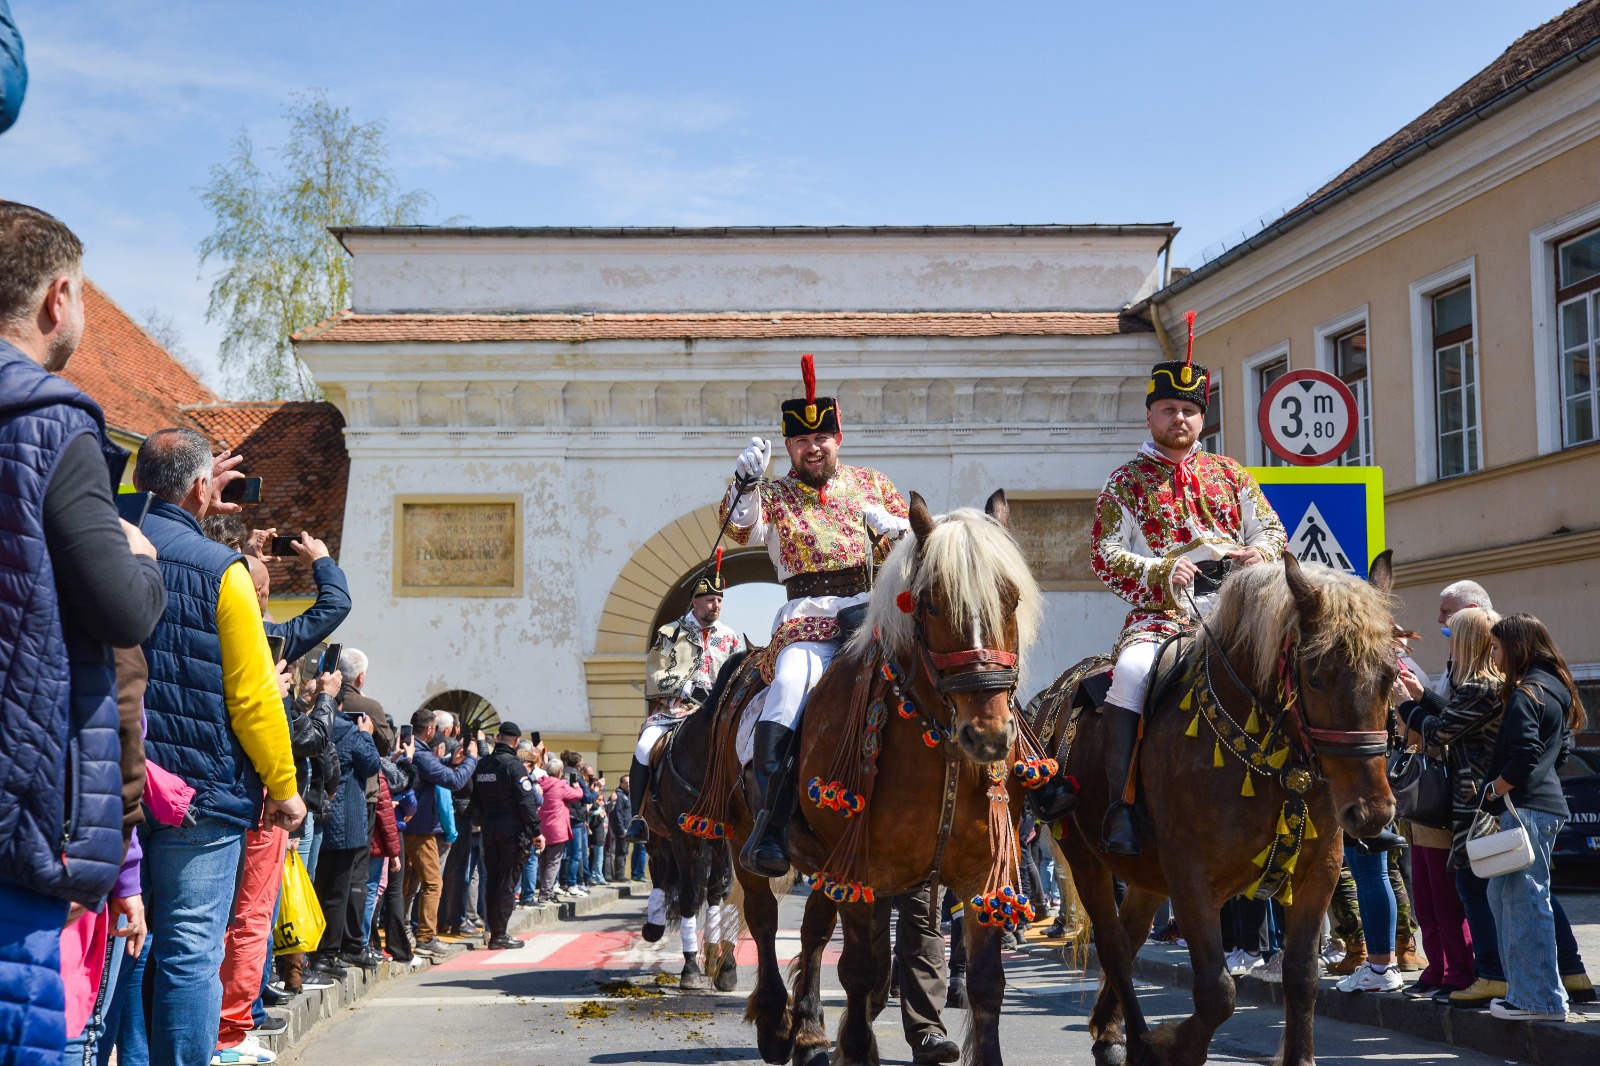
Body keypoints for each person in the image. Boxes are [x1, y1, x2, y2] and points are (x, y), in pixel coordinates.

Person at [0, 202, 167, 1065]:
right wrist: (138, 555)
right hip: (22, 805)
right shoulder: (49, 419)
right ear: (57, 298)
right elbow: (122, 609)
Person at [133, 425, 305, 1064]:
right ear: (204, 488)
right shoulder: (222, 571)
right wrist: (285, 788)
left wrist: (182, 496)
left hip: (119, 775)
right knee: (189, 946)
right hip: (201, 793)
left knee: (128, 938)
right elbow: (255, 697)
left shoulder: (107, 543)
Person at [1090, 321, 1286, 855]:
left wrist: (1260, 553)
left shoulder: (1233, 474)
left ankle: (1303, 792)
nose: (1181, 419)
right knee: (1129, 676)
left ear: (1204, 418)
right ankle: (1122, 806)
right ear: (1150, 415)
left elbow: (1270, 528)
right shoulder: (1125, 481)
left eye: (1190, 410)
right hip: (1163, 617)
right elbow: (1103, 555)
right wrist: (1159, 570)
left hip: (1236, 613)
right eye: (1169, 409)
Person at [721, 353, 909, 877]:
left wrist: (892, 525)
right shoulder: (775, 494)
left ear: (838, 438)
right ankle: (771, 824)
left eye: (821, 438)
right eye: (802, 441)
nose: (813, 447)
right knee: (787, 691)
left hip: (871, 610)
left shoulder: (873, 483)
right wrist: (743, 486)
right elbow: (741, 530)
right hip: (808, 616)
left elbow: (917, 543)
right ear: (789, 447)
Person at [1478, 613, 1586, 1021]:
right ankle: (1527, 993)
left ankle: (1539, 1000)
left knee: (1525, 900)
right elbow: (1563, 750)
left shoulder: (1528, 692)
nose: (1493, 654)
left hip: (1525, 808)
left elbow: (1525, 755)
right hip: (1539, 806)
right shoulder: (1555, 687)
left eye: (1496, 646)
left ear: (1516, 646)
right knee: (1505, 896)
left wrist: (1494, 789)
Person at [628, 565, 745, 841]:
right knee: (645, 748)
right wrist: (687, 687)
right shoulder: (671, 632)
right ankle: (638, 817)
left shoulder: (729, 637)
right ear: (695, 601)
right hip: (675, 711)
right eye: (709, 600)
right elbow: (655, 670)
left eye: (719, 600)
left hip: (717, 715)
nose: (715, 605)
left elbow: (739, 673)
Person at [398, 709, 477, 955]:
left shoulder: (413, 751)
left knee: (407, 884)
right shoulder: (421, 753)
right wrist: (471, 759)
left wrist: (448, 762)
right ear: (430, 729)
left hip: (409, 826)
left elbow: (430, 771)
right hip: (421, 829)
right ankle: (426, 937)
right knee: (433, 883)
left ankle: (402, 931)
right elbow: (454, 781)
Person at [469, 722, 544, 949]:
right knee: (507, 882)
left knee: (493, 879)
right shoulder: (513, 766)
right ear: (514, 741)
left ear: (499, 737)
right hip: (512, 832)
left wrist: (482, 821)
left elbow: (475, 801)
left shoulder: (483, 764)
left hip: (489, 829)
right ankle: (499, 934)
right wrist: (536, 831)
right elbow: (526, 802)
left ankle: (494, 931)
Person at [882, 882, 961, 1064]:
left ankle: (926, 1031)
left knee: (925, 924)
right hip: (868, 862)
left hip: (923, 864)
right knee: (870, 928)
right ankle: (861, 1016)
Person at [1433, 580, 1493, 698]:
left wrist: (1409, 704)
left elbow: (1456, 714)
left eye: (1446, 612)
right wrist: (1422, 695)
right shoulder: (1460, 651)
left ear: (1471, 609)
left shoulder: (1488, 661)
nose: (1440, 619)